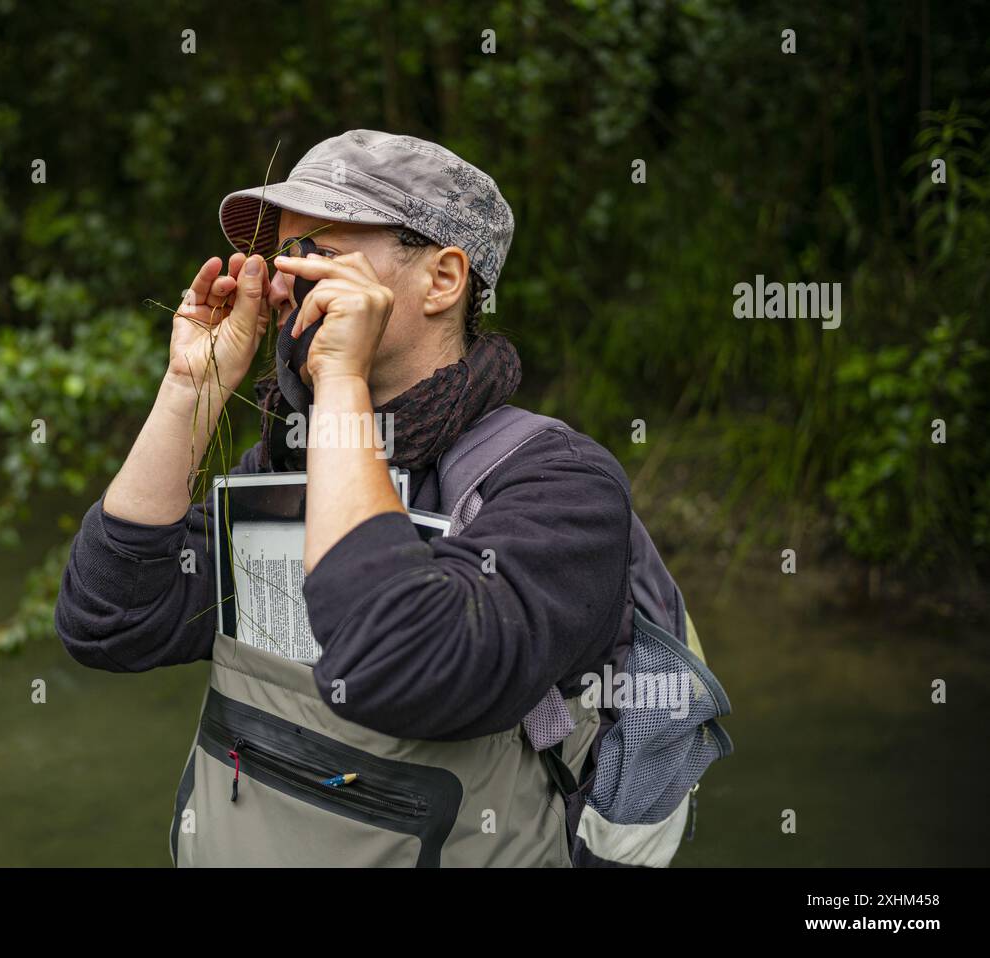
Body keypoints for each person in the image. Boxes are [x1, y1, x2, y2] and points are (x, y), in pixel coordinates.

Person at [55, 130, 635, 866]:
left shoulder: (561, 486)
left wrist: (338, 382)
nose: (284, 284)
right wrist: (190, 391)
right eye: (282, 259)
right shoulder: (284, 465)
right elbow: (109, 621)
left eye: (318, 256)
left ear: (444, 279)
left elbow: (396, 667)